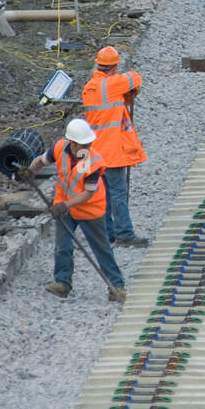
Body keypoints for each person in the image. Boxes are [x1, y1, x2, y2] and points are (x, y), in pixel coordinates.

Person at [26, 119, 126, 301]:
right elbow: (42, 161)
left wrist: (64, 205)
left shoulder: (93, 162)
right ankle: (62, 283)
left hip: (89, 210)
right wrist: (30, 171)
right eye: (84, 144)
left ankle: (117, 286)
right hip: (64, 208)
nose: (87, 147)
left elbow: (88, 194)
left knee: (101, 249)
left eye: (89, 144)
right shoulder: (58, 148)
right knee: (62, 247)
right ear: (71, 143)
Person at [81, 45, 148, 247]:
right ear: (114, 67)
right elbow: (135, 78)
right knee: (118, 193)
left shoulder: (89, 87)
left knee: (106, 194)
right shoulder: (110, 85)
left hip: (96, 151)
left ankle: (109, 233)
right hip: (112, 151)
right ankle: (125, 234)